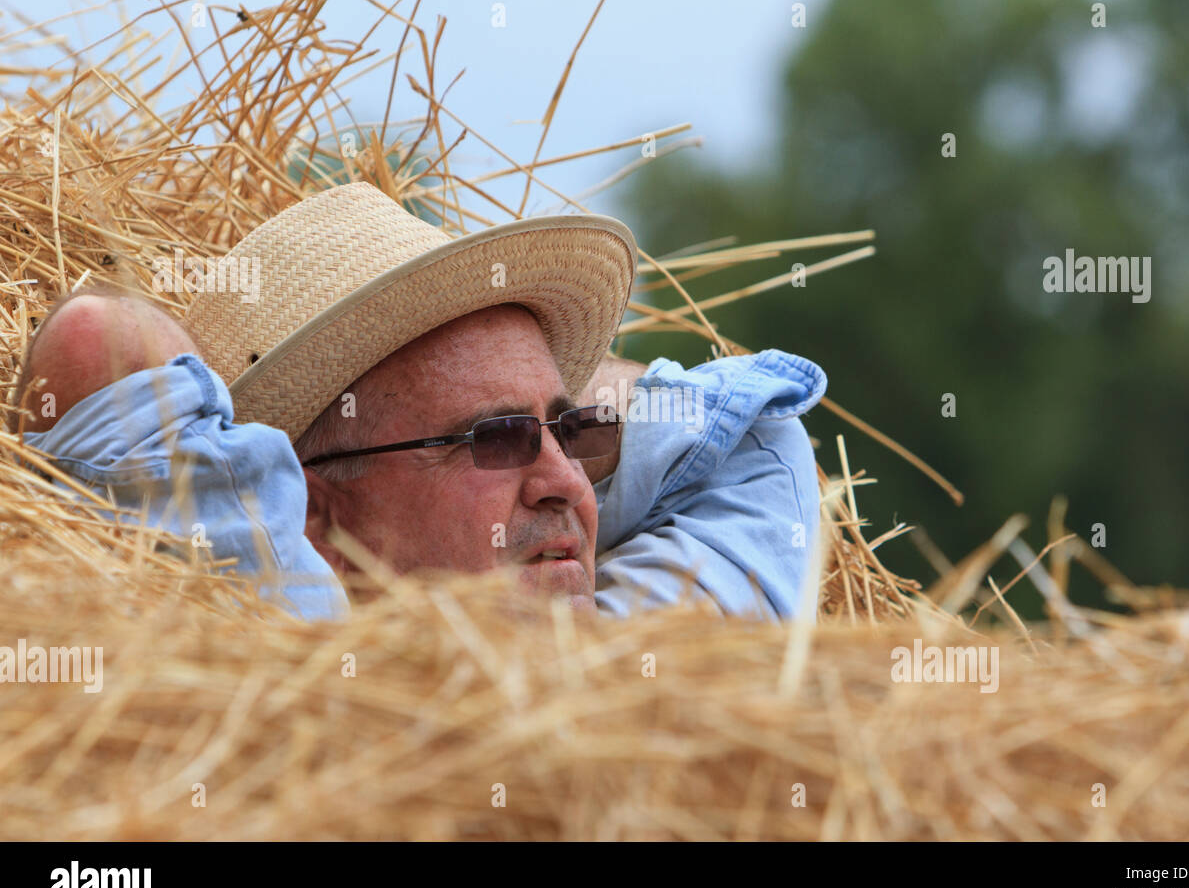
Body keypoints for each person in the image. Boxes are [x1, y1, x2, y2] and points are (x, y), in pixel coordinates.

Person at [9, 183, 826, 621]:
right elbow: (104, 339)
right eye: (496, 438)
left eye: (570, 435)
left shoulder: (628, 658)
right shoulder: (292, 701)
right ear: (316, 524)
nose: (566, 484)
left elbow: (760, 431)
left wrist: (553, 420)